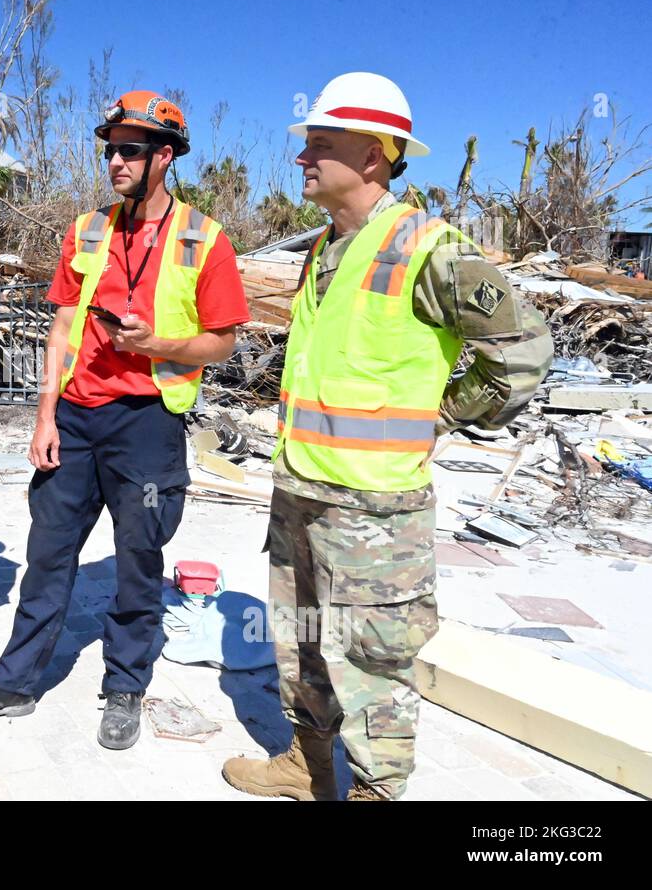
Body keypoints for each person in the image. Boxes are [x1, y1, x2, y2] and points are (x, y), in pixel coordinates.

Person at [221, 72, 553, 800]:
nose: (302, 158)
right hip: (301, 488)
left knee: (374, 661)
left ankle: (376, 789)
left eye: (320, 143)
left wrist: (445, 414)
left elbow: (523, 350)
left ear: (374, 155)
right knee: (301, 639)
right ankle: (307, 766)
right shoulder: (326, 248)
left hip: (374, 508)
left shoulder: (428, 249)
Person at [0, 90, 249, 749]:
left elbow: (222, 341)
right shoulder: (86, 231)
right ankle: (16, 682)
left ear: (164, 158)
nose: (114, 160)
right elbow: (58, 329)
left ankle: (125, 687)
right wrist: (44, 415)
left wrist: (157, 345)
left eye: (129, 150)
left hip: (149, 425)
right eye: (109, 148)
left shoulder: (204, 239)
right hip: (75, 419)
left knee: (139, 560)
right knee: (46, 555)